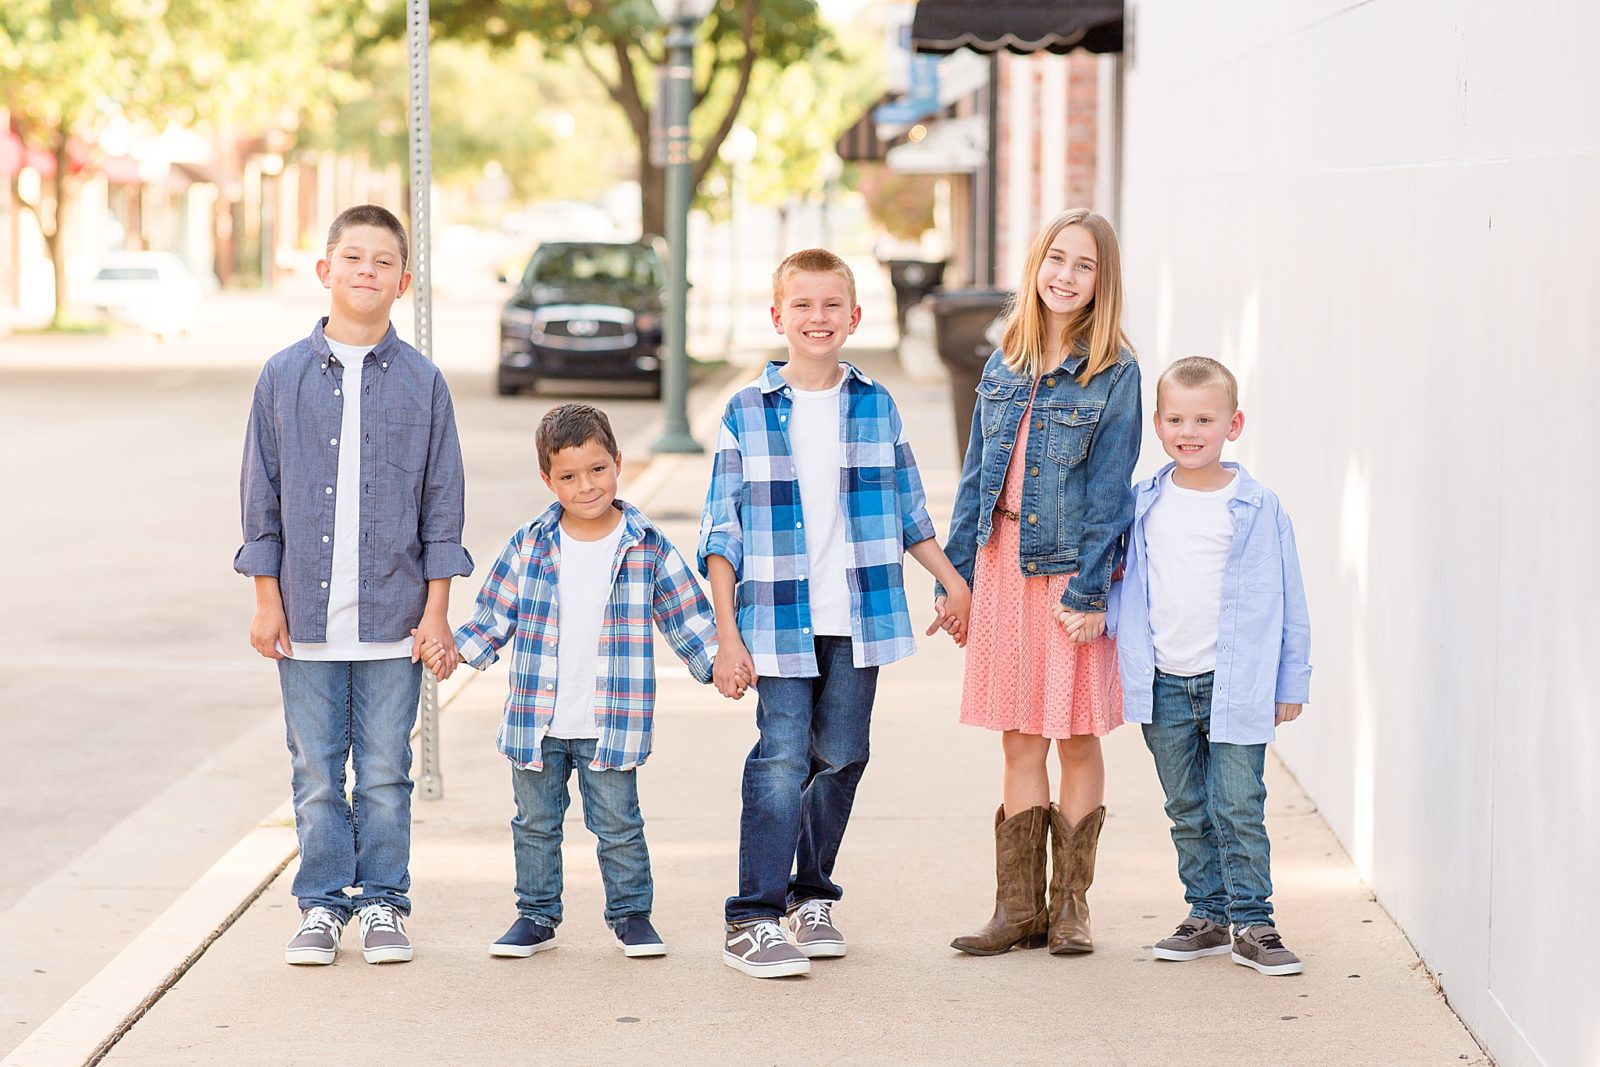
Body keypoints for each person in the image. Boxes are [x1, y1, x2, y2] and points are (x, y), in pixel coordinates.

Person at [700, 248, 971, 978]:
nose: (817, 318)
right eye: (803, 305)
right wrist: (726, 636)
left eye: (831, 306)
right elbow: (721, 532)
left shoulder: (876, 405)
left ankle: (810, 896)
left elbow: (910, 511)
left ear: (854, 317)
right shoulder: (747, 410)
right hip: (776, 619)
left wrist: (953, 583)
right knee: (783, 756)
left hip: (860, 616)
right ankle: (752, 916)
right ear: (777, 316)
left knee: (843, 754)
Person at [235, 204, 472, 966]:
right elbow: (260, 497)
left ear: (403, 282)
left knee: (383, 773)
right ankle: (321, 903)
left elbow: (442, 506)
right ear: (325, 270)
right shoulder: (282, 376)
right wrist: (266, 598)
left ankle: (382, 902)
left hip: (395, 620)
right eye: (353, 257)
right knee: (314, 772)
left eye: (383, 261)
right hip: (305, 617)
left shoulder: (424, 383)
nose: (366, 270)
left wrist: (437, 613)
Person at [425, 403, 722, 960]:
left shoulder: (646, 544)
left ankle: (631, 916)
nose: (585, 487)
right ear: (548, 480)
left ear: (618, 463)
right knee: (535, 825)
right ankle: (536, 916)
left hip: (611, 721)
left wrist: (720, 663)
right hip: (536, 721)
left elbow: (687, 616)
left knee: (618, 826)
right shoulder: (531, 543)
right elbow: (494, 614)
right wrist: (455, 652)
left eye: (597, 470)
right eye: (568, 476)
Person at [945, 209, 1142, 957]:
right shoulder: (1005, 360)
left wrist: (1089, 593)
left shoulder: (1115, 371)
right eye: (1056, 258)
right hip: (1001, 565)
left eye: (1084, 265)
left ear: (1102, 281)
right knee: (1019, 738)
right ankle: (1017, 909)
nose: (1065, 275)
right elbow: (975, 477)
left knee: (1077, 736)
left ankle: (1070, 909)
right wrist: (955, 578)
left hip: (1068, 573)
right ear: (1037, 265)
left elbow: (1112, 494)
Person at [1113, 356, 1312, 976]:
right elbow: (1123, 587)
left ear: (1234, 424)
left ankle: (1254, 921)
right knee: (1187, 808)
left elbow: (1289, 597)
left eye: (1204, 419)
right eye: (1175, 419)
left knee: (1238, 804)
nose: (1189, 432)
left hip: (1237, 684)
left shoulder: (1257, 506)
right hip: (1163, 682)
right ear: (1157, 424)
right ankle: (1207, 914)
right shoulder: (1141, 504)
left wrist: (1290, 679)